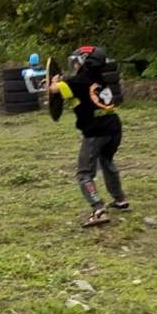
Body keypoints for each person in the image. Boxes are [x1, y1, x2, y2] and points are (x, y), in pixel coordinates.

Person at [48, 46, 129, 227]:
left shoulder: (78, 82)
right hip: (114, 128)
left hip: (95, 132)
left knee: (84, 173)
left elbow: (54, 89)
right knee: (107, 162)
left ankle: (98, 209)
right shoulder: (100, 79)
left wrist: (54, 81)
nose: (74, 65)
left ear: (85, 62)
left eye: (77, 62)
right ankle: (120, 199)